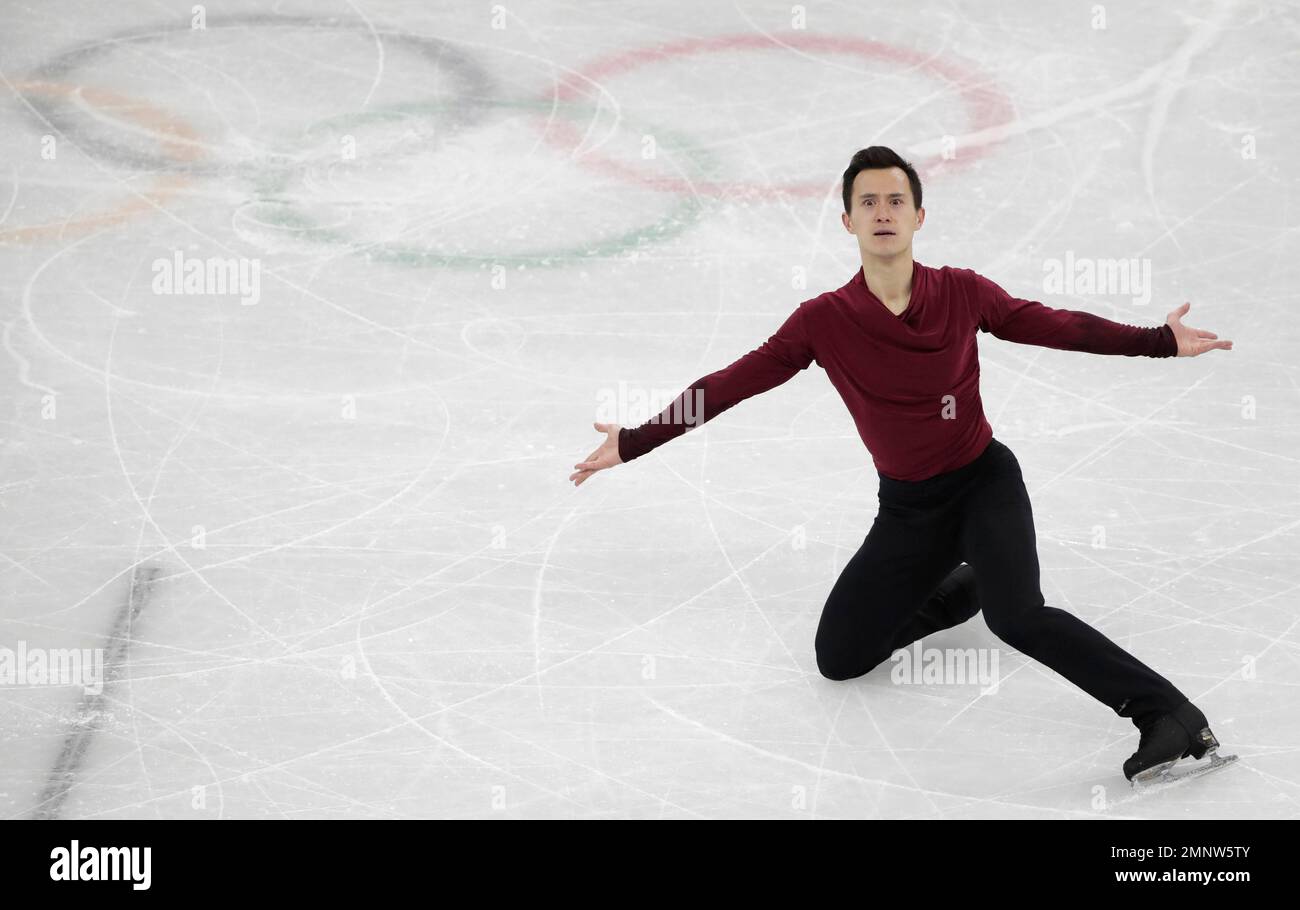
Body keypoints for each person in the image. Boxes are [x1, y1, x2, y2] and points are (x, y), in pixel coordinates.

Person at [569, 146, 1235, 784]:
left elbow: (1056, 325)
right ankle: (962, 587)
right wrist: (635, 440)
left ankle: (1168, 714)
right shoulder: (821, 321)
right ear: (848, 221)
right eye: (868, 202)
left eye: (896, 199)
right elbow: (730, 383)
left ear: (919, 216)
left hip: (982, 484)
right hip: (909, 510)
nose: (883, 211)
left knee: (1020, 617)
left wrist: (1157, 343)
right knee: (841, 658)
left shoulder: (962, 293)